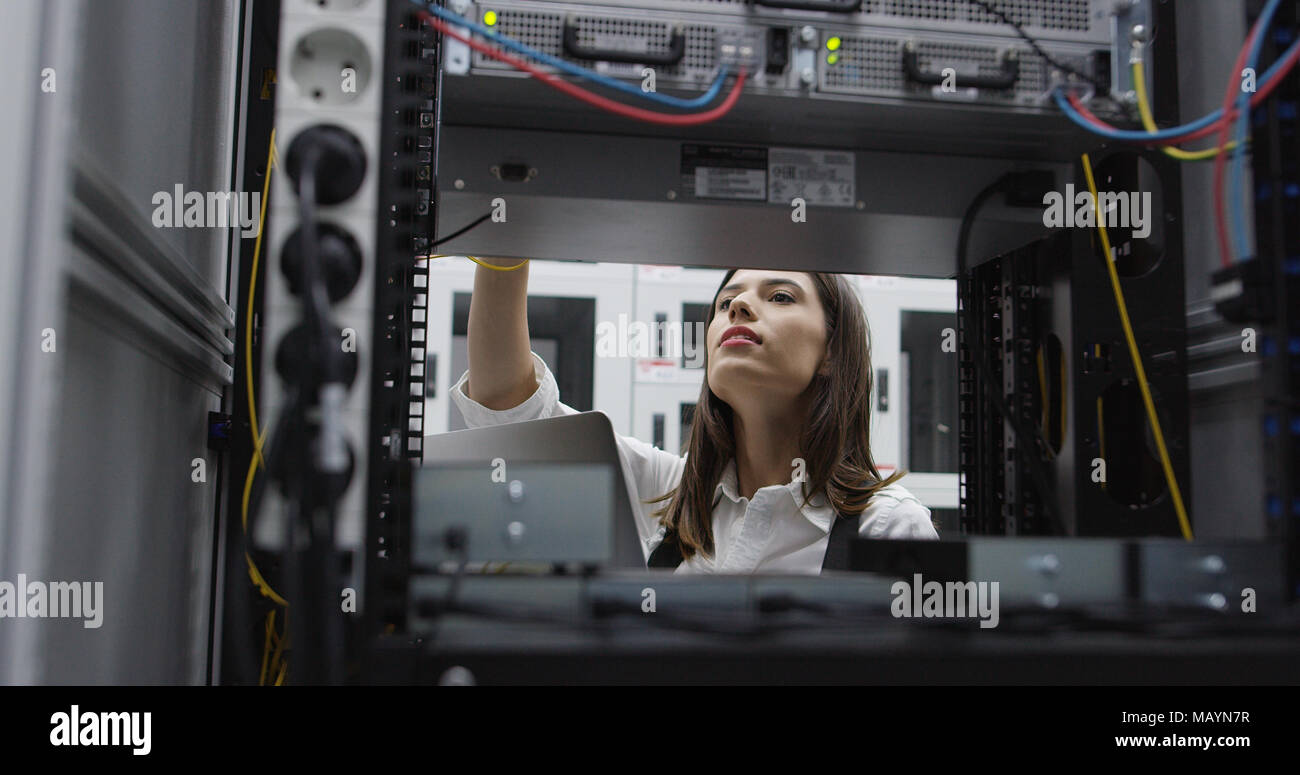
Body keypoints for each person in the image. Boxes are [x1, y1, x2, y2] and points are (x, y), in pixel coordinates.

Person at [451, 259, 939, 574]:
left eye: (781, 296)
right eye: (726, 303)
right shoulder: (667, 495)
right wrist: (503, 255)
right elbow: (509, 411)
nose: (739, 306)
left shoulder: (889, 527)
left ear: (833, 350)